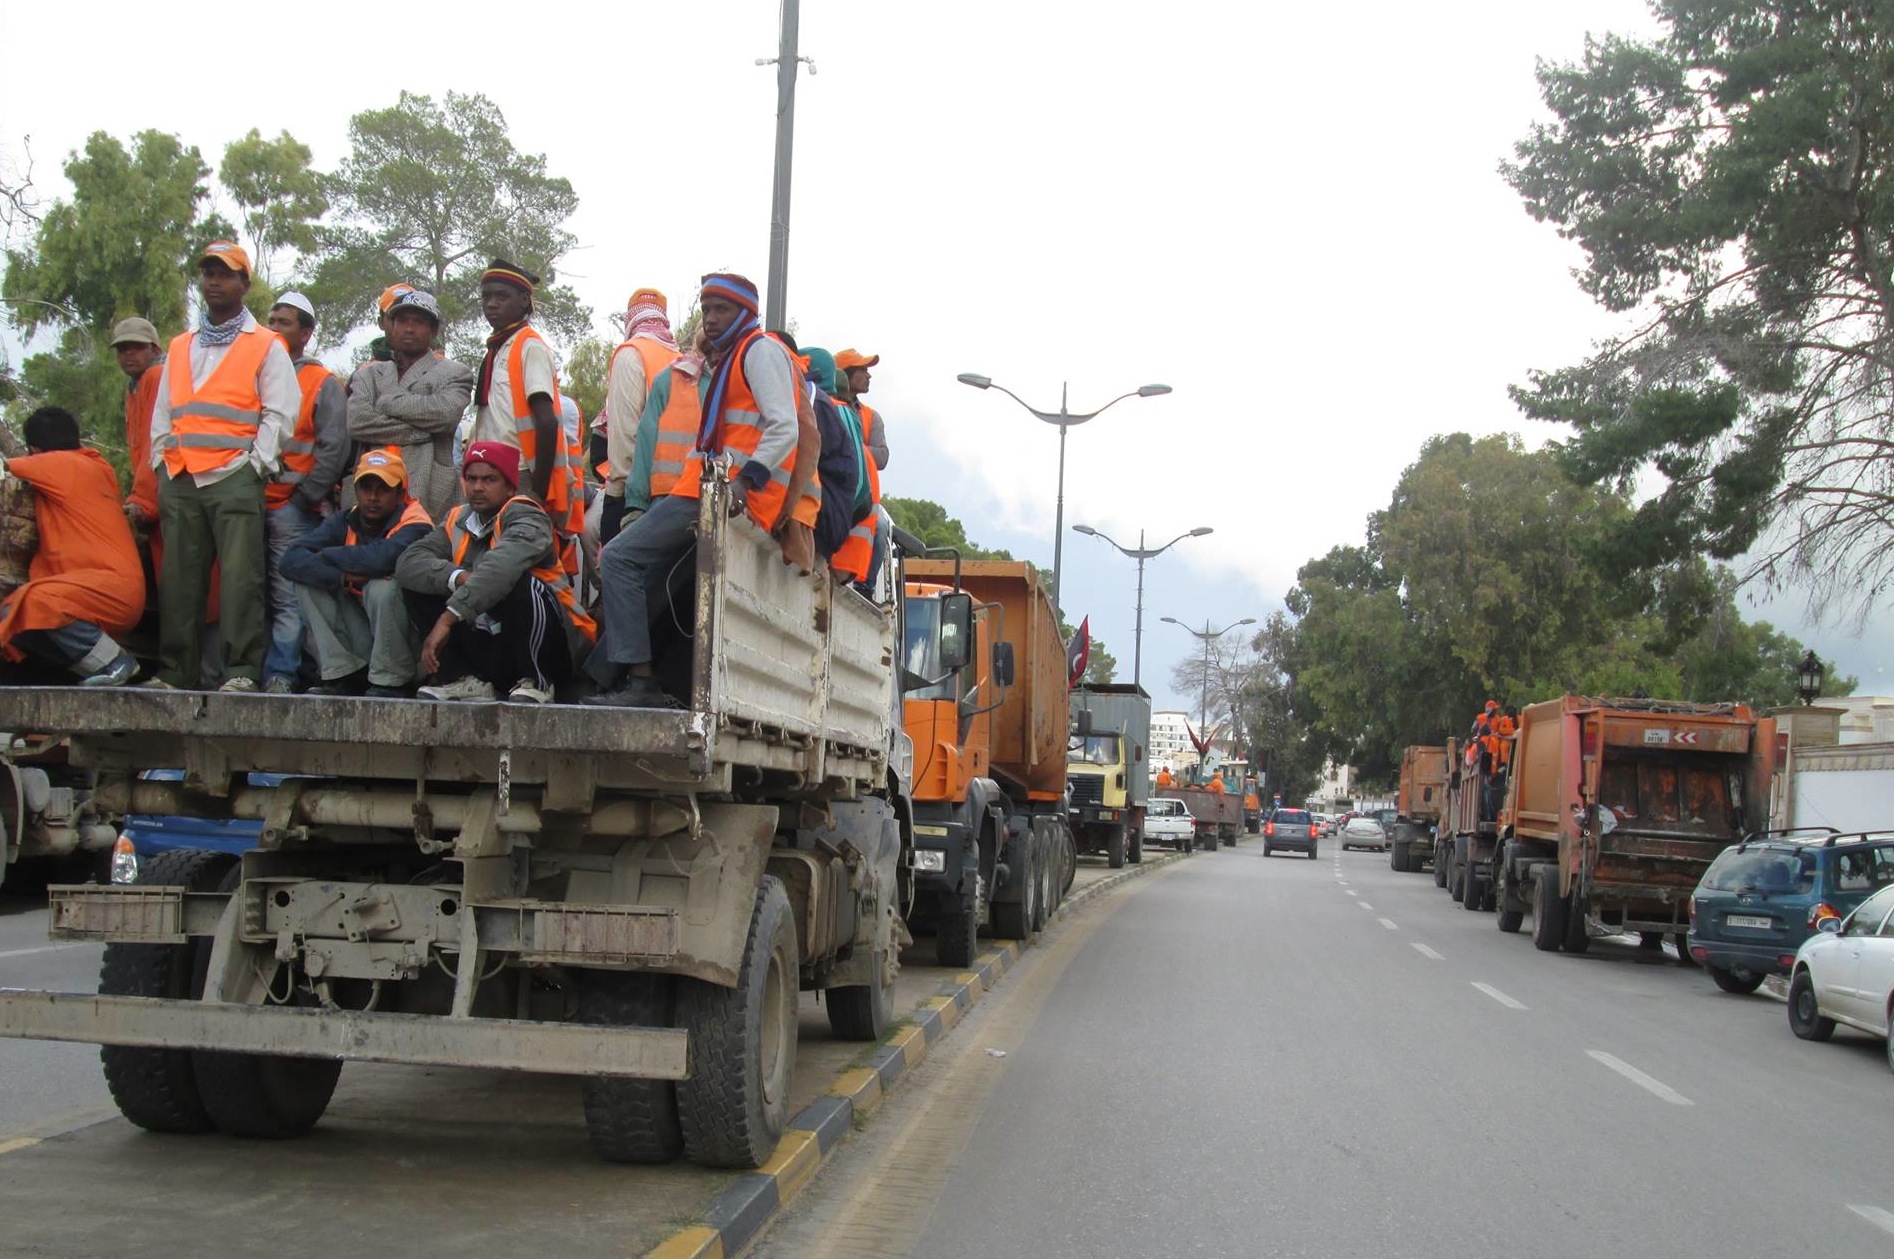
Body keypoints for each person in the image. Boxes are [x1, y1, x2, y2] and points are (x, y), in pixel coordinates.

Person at [585, 274, 815, 709]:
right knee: (653, 579)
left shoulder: (758, 350)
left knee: (618, 558)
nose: (710, 319)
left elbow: (784, 427)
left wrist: (745, 481)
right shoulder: (731, 358)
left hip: (719, 493)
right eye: (706, 309)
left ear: (745, 313)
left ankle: (638, 682)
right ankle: (614, 677)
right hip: (704, 491)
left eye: (721, 310)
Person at [146, 241, 299, 692]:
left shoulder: (266, 344)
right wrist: (160, 461)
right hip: (180, 475)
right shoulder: (181, 345)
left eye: (225, 274)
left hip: (234, 475)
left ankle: (241, 672)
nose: (214, 282)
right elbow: (164, 411)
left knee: (240, 580)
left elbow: (281, 413)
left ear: (244, 284)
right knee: (179, 581)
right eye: (208, 273)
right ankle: (175, 673)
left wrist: (255, 465)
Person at [395, 441, 593, 704]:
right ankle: (461, 679)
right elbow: (409, 562)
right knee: (420, 583)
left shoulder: (528, 515)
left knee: (521, 583)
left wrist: (448, 618)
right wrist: (458, 578)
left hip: (559, 647)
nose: (478, 487)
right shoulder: (457, 518)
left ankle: (538, 681)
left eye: (489, 479)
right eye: (471, 479)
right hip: (496, 644)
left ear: (510, 486)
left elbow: (500, 568)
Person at [0, 407, 145, 686]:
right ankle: (91, 672)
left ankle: (115, 662)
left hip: (108, 589)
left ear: (35, 449)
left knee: (33, 602)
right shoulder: (96, 466)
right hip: (105, 590)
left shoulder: (61, 464)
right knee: (11, 616)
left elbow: (12, 466)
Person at [282, 449, 433, 697]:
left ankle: (393, 681)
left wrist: (327, 555)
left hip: (411, 648)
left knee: (381, 587)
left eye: (383, 489)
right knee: (308, 581)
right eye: (365, 488)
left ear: (400, 493)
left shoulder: (417, 523)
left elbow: (381, 559)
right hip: (367, 635)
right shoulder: (347, 518)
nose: (372, 497)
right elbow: (290, 560)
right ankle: (345, 674)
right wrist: (343, 577)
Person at [259, 292, 350, 693]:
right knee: (256, 594)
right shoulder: (256, 373)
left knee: (289, 597)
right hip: (251, 504)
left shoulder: (321, 382)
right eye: (272, 320)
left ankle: (282, 674)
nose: (274, 328)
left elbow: (335, 447)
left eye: (284, 322)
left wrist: (304, 496)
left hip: (292, 508)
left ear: (306, 333)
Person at [467, 260, 582, 539]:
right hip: (489, 471)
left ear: (523, 301)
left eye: (501, 296)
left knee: (519, 552)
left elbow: (547, 421)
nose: (491, 304)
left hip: (520, 475)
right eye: (486, 297)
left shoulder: (530, 346)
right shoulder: (496, 349)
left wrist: (537, 492)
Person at [347, 290, 473, 524]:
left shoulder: (454, 373)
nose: (409, 328)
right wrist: (420, 433)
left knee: (421, 542)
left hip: (428, 488)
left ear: (433, 330)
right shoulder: (368, 374)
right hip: (371, 486)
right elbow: (358, 422)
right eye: (403, 321)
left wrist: (386, 402)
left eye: (419, 322)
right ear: (391, 326)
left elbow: (445, 415)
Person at [599, 288, 680, 545]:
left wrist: (620, 494)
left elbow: (625, 434)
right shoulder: (679, 357)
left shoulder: (630, 354)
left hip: (634, 496)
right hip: (674, 494)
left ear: (630, 318)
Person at [112, 317, 166, 529]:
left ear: (155, 349)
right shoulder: (135, 384)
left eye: (137, 347)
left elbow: (155, 442)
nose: (129, 354)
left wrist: (143, 501)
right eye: (122, 349)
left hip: (165, 493)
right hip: (158, 493)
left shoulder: (156, 375)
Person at [835, 349, 888, 471]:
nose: (869, 376)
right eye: (863, 370)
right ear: (845, 373)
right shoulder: (825, 406)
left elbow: (881, 457)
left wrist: (844, 448)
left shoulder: (872, 416)